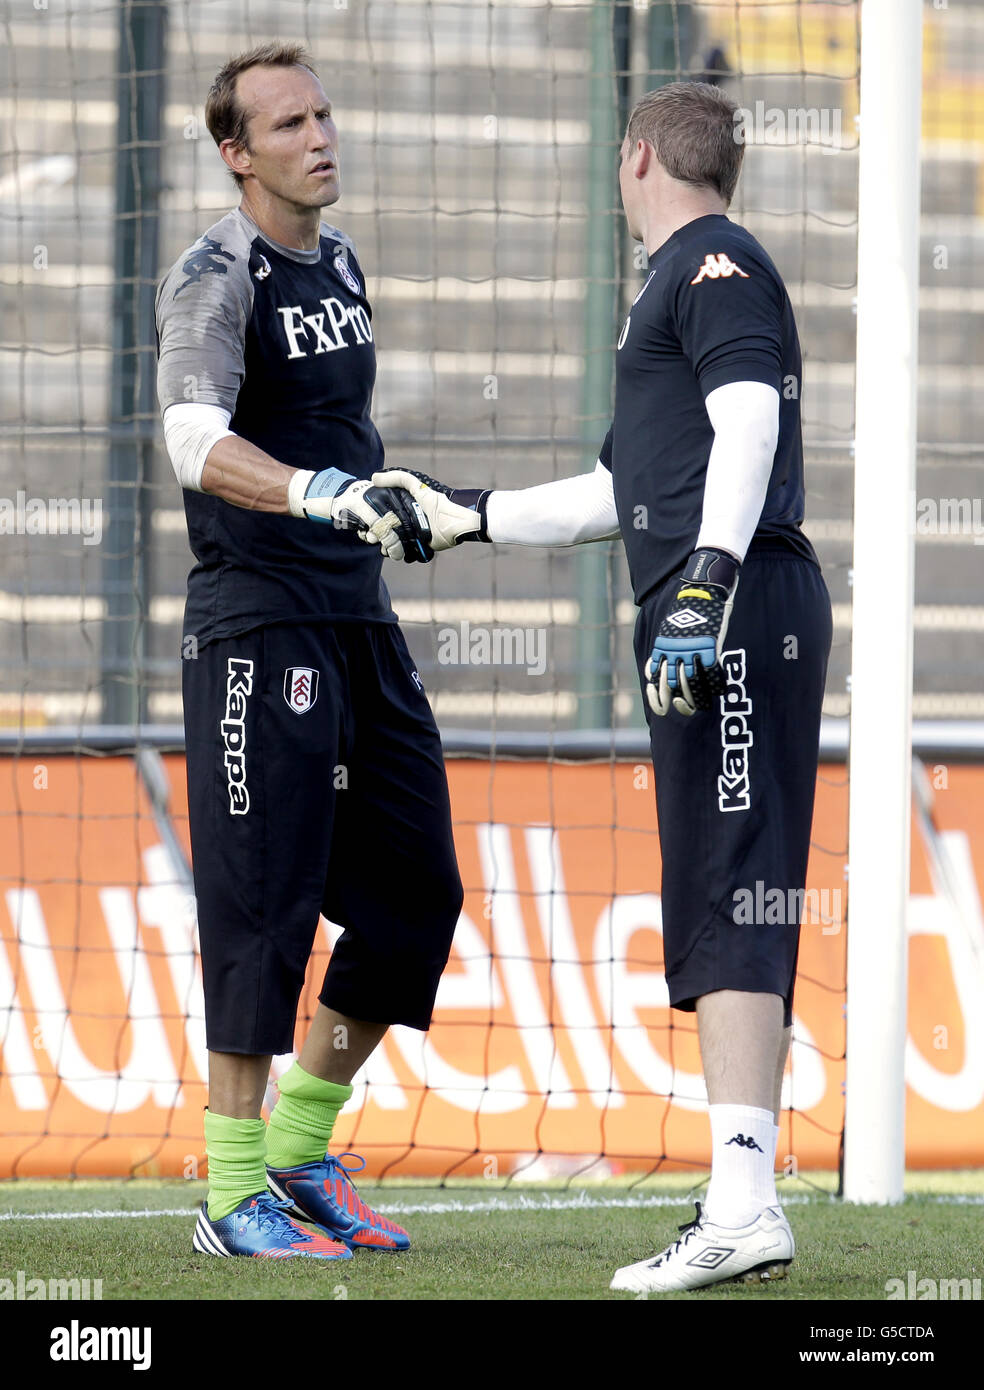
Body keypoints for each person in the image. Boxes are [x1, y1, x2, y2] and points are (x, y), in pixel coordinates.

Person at [373, 80, 832, 1294]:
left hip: (727, 610)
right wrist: (461, 517)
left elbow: (748, 429)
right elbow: (612, 495)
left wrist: (704, 586)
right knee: (718, 885)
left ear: (636, 158)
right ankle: (741, 1196)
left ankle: (744, 1204)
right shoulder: (671, 289)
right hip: (709, 608)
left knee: (734, 885)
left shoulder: (712, 263)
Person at [155, 42, 462, 1261]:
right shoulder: (213, 275)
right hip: (258, 623)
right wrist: (326, 495)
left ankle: (297, 1148)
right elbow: (189, 438)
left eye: (324, 114)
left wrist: (385, 501)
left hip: (357, 616)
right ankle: (231, 1194)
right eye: (288, 124)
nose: (320, 136)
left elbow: (339, 425)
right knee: (261, 908)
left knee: (417, 894)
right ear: (237, 154)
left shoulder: (335, 257)